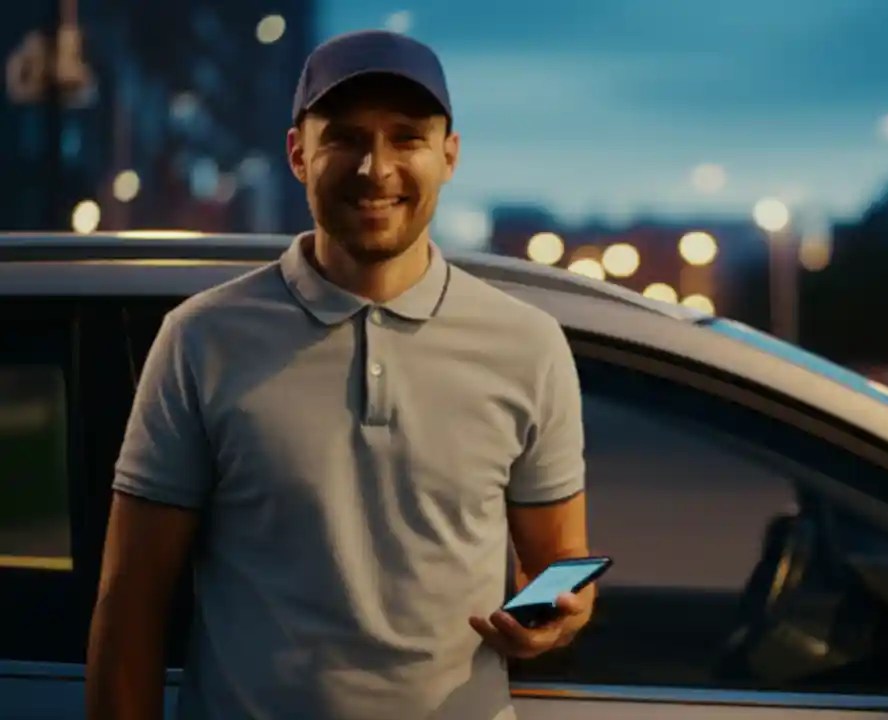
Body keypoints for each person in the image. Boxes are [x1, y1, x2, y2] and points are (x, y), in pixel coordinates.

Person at [86, 30, 593, 720]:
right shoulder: (202, 338)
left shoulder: (528, 345)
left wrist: (558, 615)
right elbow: (130, 607)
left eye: (407, 138)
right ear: (299, 153)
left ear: (450, 155)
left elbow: (561, 559)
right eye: (345, 138)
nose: (374, 169)